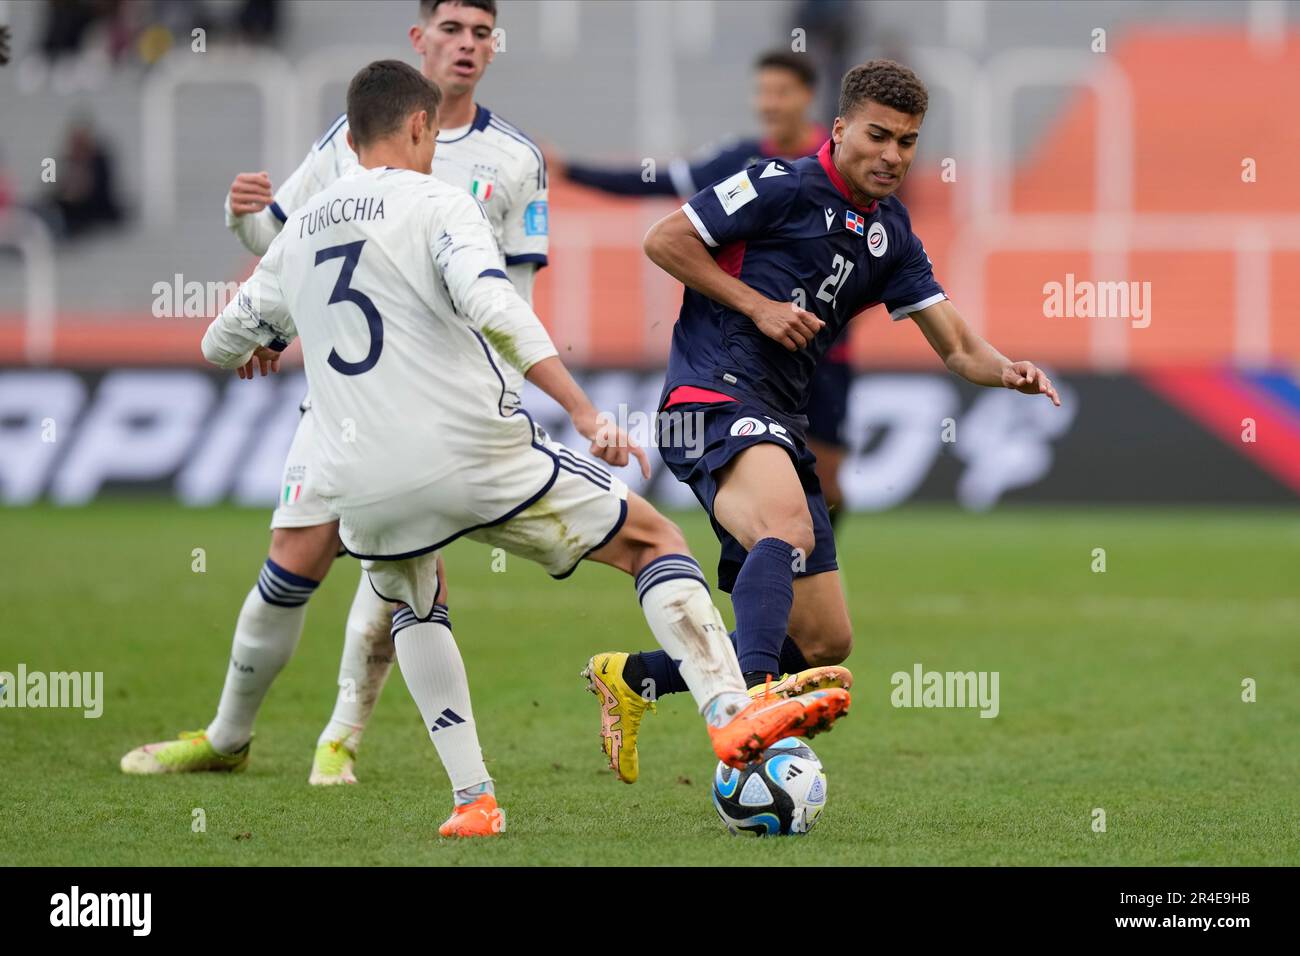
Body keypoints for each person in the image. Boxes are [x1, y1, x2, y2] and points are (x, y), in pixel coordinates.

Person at [199, 60, 851, 832]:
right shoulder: (440, 202)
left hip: (357, 476)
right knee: (652, 541)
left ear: (351, 136)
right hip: (469, 449)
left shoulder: (302, 226)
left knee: (415, 604)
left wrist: (265, 340)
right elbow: (496, 306)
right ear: (420, 126)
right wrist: (581, 409)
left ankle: (473, 800)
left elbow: (220, 341)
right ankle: (730, 711)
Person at [119, 0, 539, 826]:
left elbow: (512, 297)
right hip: (347, 395)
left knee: (405, 563)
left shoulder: (515, 159)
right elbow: (282, 245)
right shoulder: (353, 136)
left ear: (495, 47)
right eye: (450, 29)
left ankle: (341, 737)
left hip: (442, 400)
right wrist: (244, 223)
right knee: (294, 556)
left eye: (480, 32)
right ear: (419, 39)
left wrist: (502, 394)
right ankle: (228, 737)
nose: (465, 45)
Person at [584, 60, 1061, 784]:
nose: (893, 155)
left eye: (907, 141)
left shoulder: (891, 234)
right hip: (707, 398)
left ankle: (635, 677)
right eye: (878, 136)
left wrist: (1007, 370)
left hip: (778, 418)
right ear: (838, 130)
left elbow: (959, 346)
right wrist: (758, 306)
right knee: (785, 528)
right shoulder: (779, 184)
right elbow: (664, 239)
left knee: (823, 640)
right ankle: (746, 706)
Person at [555, 50, 855, 522]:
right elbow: (653, 183)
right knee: (766, 479)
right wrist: (569, 170)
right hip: (751, 349)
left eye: (781, 92)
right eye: (763, 92)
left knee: (827, 483)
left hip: (824, 352)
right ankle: (779, 553)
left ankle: (810, 556)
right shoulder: (740, 160)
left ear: (808, 96)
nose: (769, 103)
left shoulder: (843, 161)